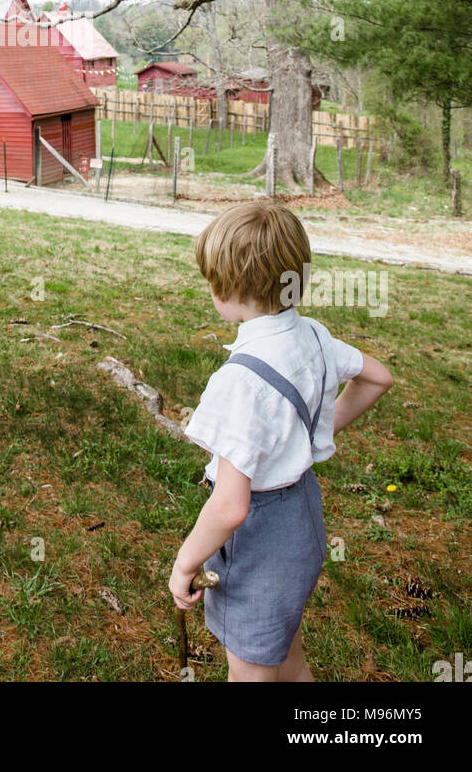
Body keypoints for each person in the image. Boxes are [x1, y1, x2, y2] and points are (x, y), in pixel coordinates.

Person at [168, 200, 393, 682]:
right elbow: (377, 377)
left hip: (262, 541)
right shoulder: (312, 335)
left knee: (251, 667)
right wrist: (314, 434)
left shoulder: (240, 381)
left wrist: (185, 561)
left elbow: (231, 507)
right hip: (304, 523)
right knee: (284, 652)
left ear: (226, 288)